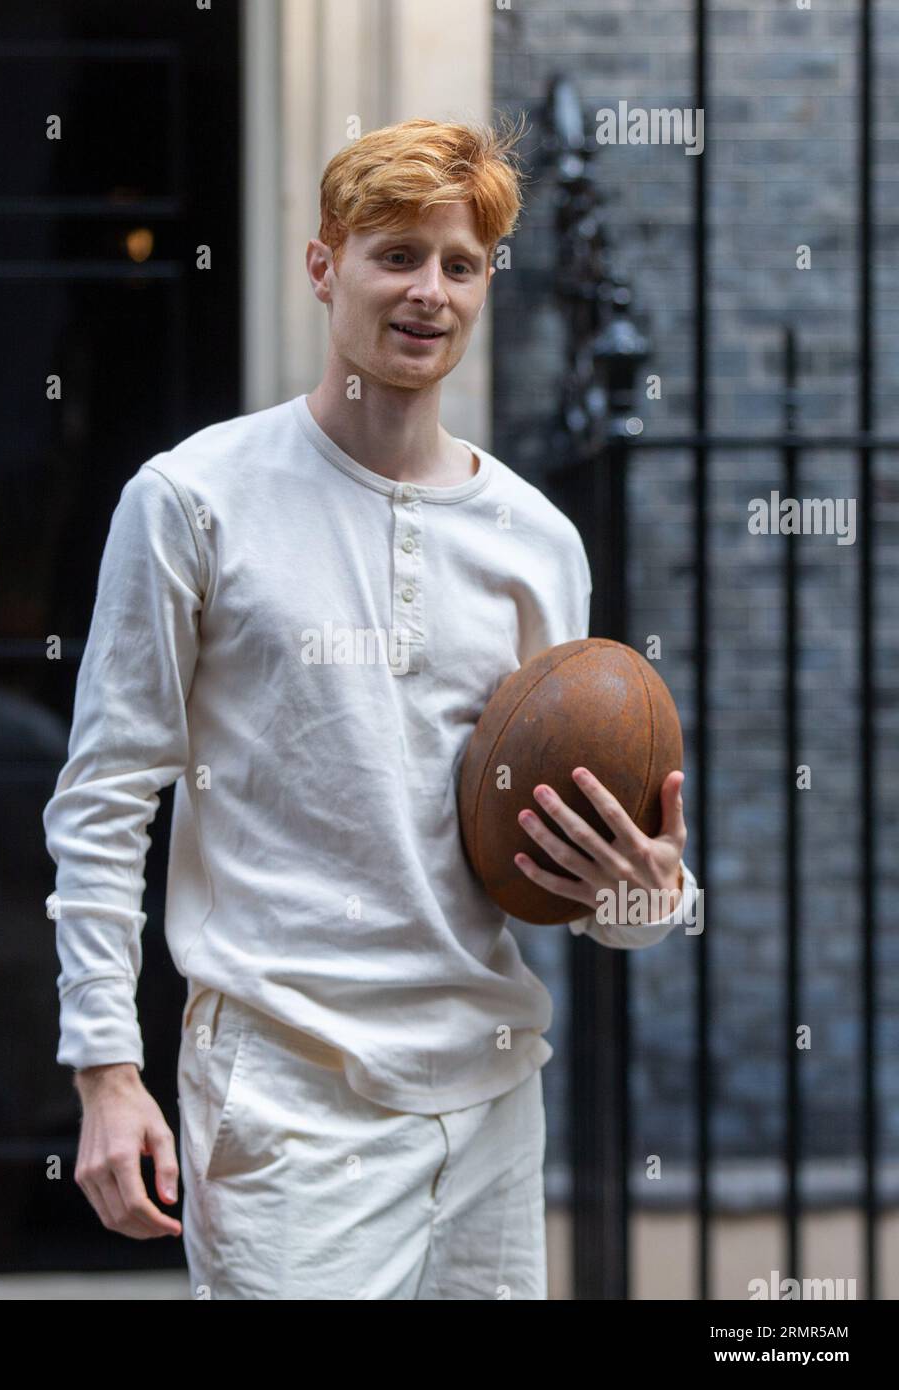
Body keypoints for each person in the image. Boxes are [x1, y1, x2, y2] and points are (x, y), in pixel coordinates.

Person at [42, 116, 698, 1300]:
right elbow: (102, 798)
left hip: (493, 1093)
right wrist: (104, 1065)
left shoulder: (536, 541)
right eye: (395, 254)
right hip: (288, 1099)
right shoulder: (191, 500)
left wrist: (645, 890)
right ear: (322, 265)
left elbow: (581, 883)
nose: (428, 293)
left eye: (459, 265)